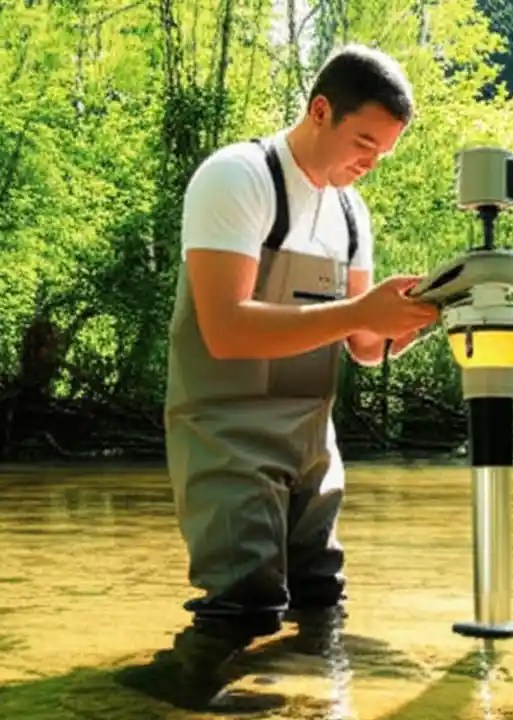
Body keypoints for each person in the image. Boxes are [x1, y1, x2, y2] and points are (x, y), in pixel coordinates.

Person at [160, 43, 438, 709]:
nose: (369, 166)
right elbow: (225, 330)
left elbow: (366, 345)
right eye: (363, 144)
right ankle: (166, 697)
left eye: (383, 154)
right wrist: (360, 311)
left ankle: (316, 702)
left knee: (321, 596)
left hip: (314, 437)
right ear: (320, 111)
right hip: (227, 429)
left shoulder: (350, 213)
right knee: (245, 602)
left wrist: (420, 316)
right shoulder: (237, 177)